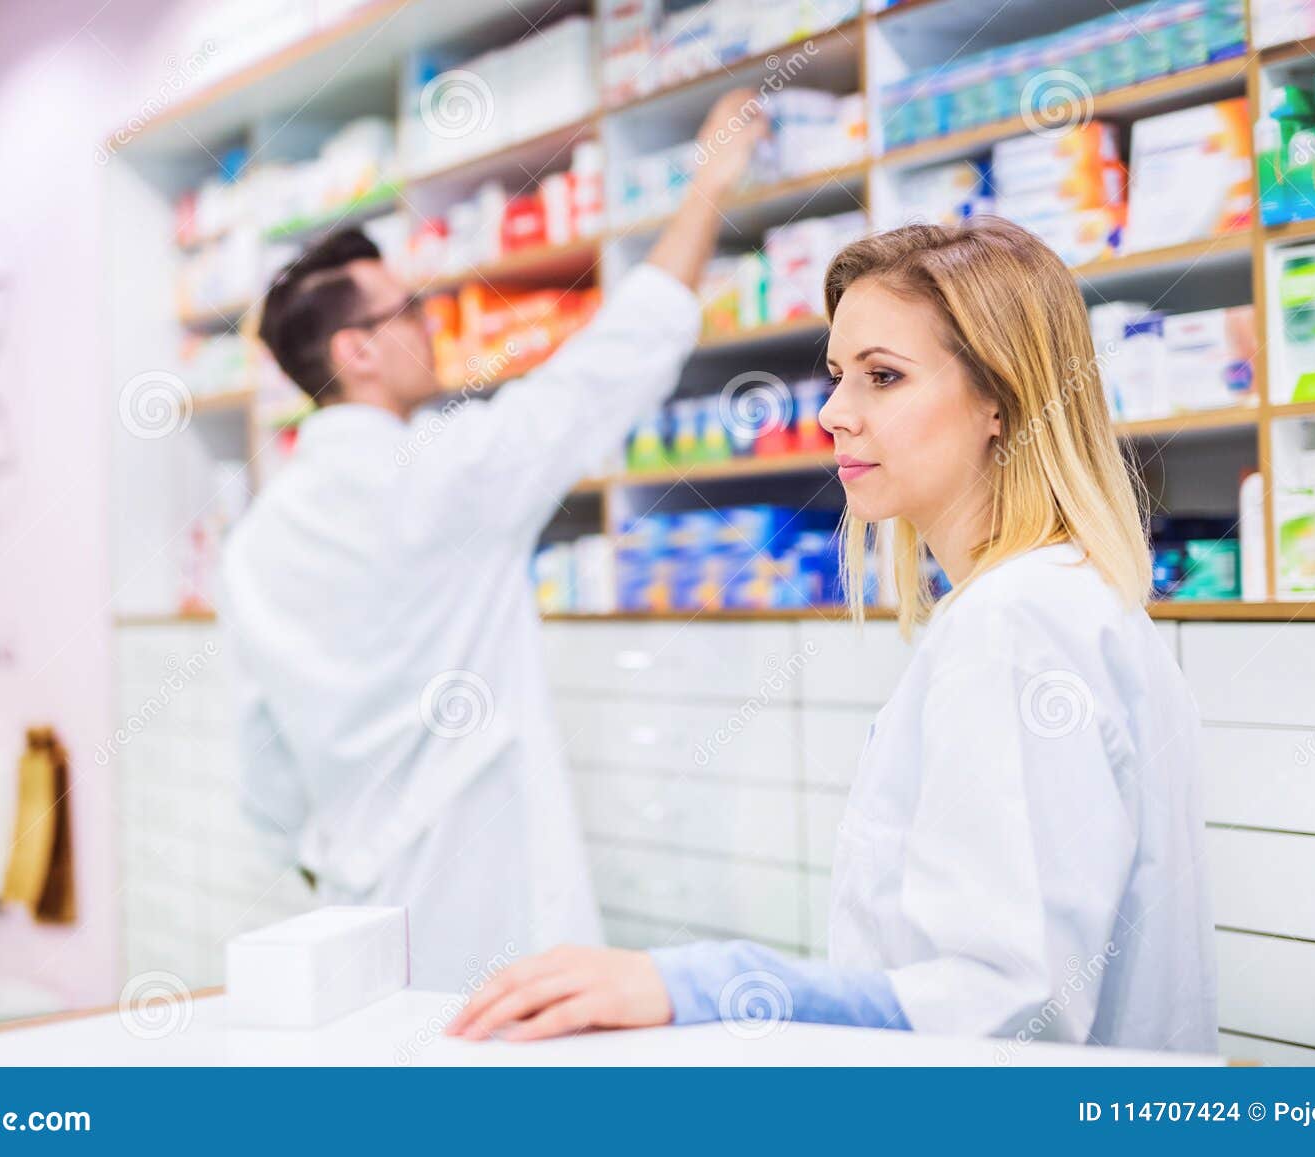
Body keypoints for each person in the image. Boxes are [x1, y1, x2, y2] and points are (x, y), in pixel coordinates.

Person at [446, 217, 1218, 1052]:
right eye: (838, 375)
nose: (834, 413)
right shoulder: (1056, 598)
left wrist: (697, 984)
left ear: (1001, 399)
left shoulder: (1018, 621)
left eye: (883, 376)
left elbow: (1005, 1008)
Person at [220, 91, 766, 991]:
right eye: (409, 310)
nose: (428, 324)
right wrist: (710, 182)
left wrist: (327, 856)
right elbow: (615, 360)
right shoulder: (445, 473)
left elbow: (264, 779)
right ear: (356, 351)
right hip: (493, 913)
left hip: (353, 914)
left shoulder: (253, 545)